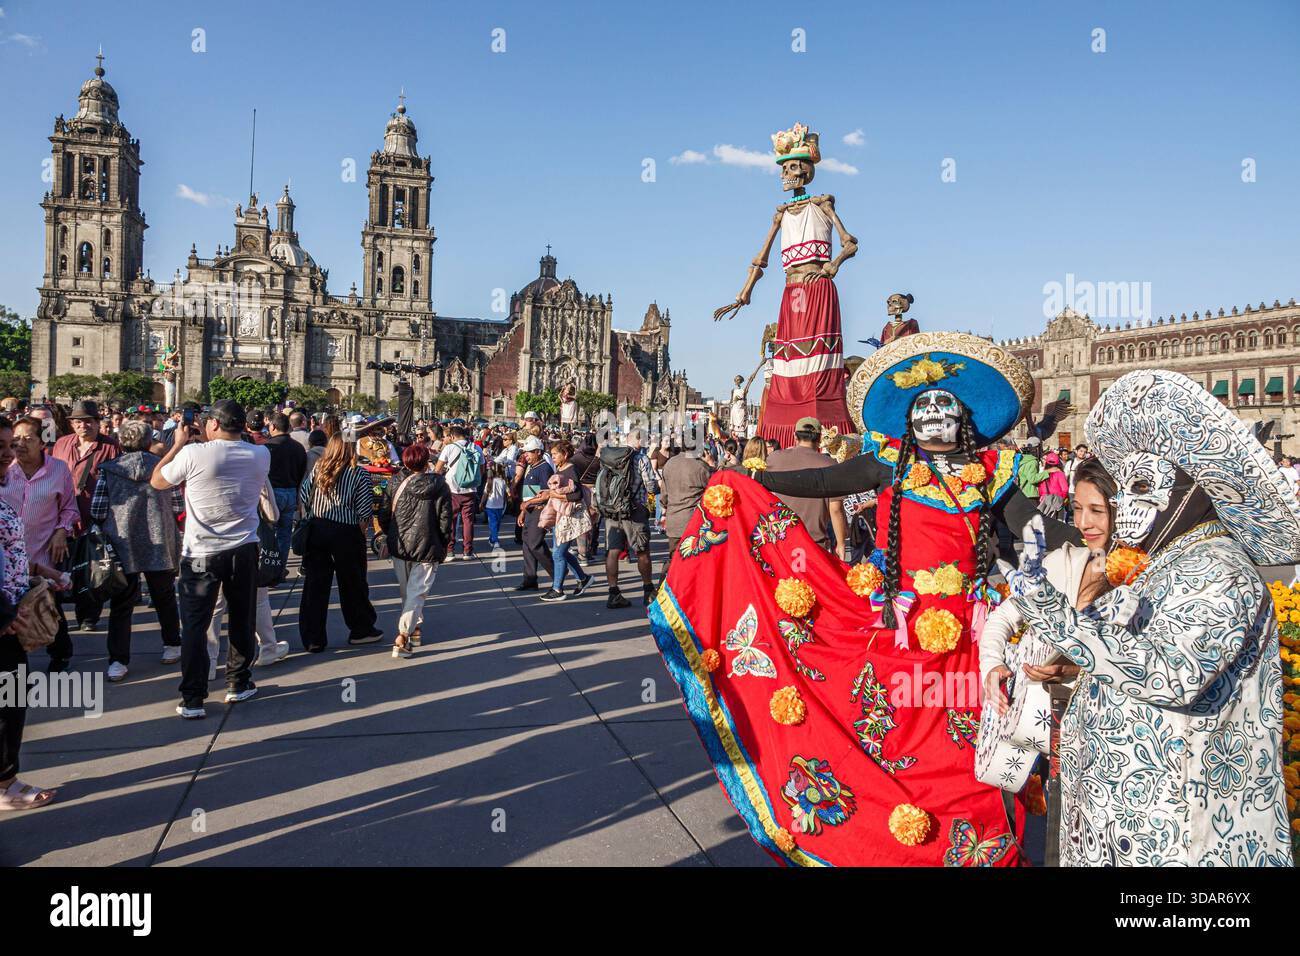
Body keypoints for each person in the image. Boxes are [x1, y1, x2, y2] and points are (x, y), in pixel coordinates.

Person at [650, 332, 1073, 865]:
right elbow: (821, 481)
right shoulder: (888, 464)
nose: (933, 413)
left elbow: (1036, 527)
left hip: (974, 639)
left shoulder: (993, 474)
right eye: (923, 405)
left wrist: (1105, 548)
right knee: (902, 745)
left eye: (944, 403)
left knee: (972, 755)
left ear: (964, 417)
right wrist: (749, 476)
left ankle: (978, 848)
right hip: (902, 630)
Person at [1007, 369, 1294, 867]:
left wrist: (1055, 617)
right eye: (1124, 490)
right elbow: (1143, 654)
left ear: (1190, 494)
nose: (1124, 506)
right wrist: (1078, 665)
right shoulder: (1165, 562)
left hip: (1180, 833)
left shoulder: (1219, 568)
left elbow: (1173, 676)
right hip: (1126, 823)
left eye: (1141, 487)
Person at [152, 399, 269, 719]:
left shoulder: (192, 453)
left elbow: (158, 480)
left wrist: (176, 445)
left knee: (195, 625)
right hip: (244, 548)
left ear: (214, 425)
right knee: (242, 617)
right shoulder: (261, 454)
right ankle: (238, 681)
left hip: (202, 552)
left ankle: (193, 696)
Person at [89, 420, 184, 682]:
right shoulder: (162, 467)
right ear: (147, 441)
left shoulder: (109, 470)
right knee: (164, 597)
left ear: (121, 442)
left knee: (122, 605)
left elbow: (97, 510)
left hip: (122, 543)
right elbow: (177, 504)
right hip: (159, 539)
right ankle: (172, 645)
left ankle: (118, 660)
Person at [0, 479, 57, 810]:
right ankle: (6, 784)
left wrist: (37, 574)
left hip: (11, 615)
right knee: (7, 701)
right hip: (4, 624)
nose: (8, 454)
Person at [297, 434, 381, 651]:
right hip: (347, 531)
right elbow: (364, 511)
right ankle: (360, 628)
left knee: (315, 584)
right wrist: (362, 536)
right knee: (353, 583)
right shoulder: (358, 473)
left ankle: (313, 637)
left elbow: (305, 495)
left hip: (318, 527)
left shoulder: (319, 469)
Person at [10, 416, 79, 672]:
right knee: (13, 612)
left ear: (42, 442)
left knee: (49, 607)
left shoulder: (58, 469)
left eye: (28, 439)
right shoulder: (6, 469)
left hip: (43, 550)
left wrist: (62, 530)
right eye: (16, 439)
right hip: (10, 557)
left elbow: (70, 508)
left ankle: (60, 653)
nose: (20, 444)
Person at [378, 443, 452, 658]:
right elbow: (445, 519)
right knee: (417, 592)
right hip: (428, 544)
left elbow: (383, 513)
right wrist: (444, 541)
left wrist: (390, 533)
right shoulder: (439, 485)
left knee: (407, 592)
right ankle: (403, 635)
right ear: (426, 460)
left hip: (400, 545)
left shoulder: (395, 482)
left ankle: (414, 629)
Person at [51, 400, 119, 631]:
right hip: (62, 518)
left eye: (88, 422)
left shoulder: (110, 447)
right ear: (72, 425)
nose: (83, 426)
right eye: (78, 422)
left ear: (97, 423)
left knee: (91, 569)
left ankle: (89, 617)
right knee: (62, 568)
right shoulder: (61, 444)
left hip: (94, 518)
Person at [764, 416, 850, 557]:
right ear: (819, 438)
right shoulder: (830, 465)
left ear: (794, 436)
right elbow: (836, 509)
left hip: (780, 539)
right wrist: (841, 544)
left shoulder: (774, 458)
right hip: (815, 543)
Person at [597, 432, 658, 609]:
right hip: (634, 510)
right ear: (638, 440)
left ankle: (613, 592)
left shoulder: (610, 457)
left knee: (613, 551)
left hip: (612, 511)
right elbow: (651, 486)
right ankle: (648, 590)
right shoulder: (641, 459)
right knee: (642, 551)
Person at [540, 439, 594, 602]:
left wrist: (554, 495)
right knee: (561, 551)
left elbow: (576, 495)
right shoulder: (561, 467)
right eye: (552, 454)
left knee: (558, 553)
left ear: (565, 454)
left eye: (556, 454)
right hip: (560, 516)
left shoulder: (570, 469)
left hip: (569, 517)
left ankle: (557, 589)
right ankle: (583, 578)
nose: (553, 456)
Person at [659, 442, 714, 586]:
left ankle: (665, 590)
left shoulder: (670, 463)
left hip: (674, 521)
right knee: (694, 561)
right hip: (692, 522)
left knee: (674, 558)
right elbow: (714, 489)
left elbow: (664, 496)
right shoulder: (700, 467)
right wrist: (711, 464)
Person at [265, 413, 307, 566]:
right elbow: (302, 472)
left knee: (268, 534)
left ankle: (268, 566)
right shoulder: (298, 448)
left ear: (273, 427)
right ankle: (280, 567)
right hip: (291, 492)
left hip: (272, 494)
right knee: (284, 534)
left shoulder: (268, 447)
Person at [435, 425, 482, 561]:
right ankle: (467, 551)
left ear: (453, 436)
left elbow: (438, 469)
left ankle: (450, 551)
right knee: (468, 521)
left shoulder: (449, 448)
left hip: (452, 489)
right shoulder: (476, 448)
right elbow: (481, 469)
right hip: (470, 489)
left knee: (451, 520)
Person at [514, 436, 555, 590]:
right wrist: (523, 512)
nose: (526, 455)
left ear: (538, 452)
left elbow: (546, 493)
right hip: (530, 512)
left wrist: (529, 504)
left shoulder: (544, 468)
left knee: (535, 543)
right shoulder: (532, 468)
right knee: (527, 545)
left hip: (539, 511)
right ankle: (530, 579)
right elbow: (529, 493)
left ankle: (557, 575)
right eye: (525, 452)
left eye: (529, 452)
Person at [481, 461, 508, 549]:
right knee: (497, 524)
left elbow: (485, 494)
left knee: (493, 524)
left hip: (490, 505)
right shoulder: (503, 481)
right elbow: (505, 494)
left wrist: (481, 503)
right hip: (500, 506)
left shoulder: (490, 481)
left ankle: (493, 539)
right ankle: (495, 540)